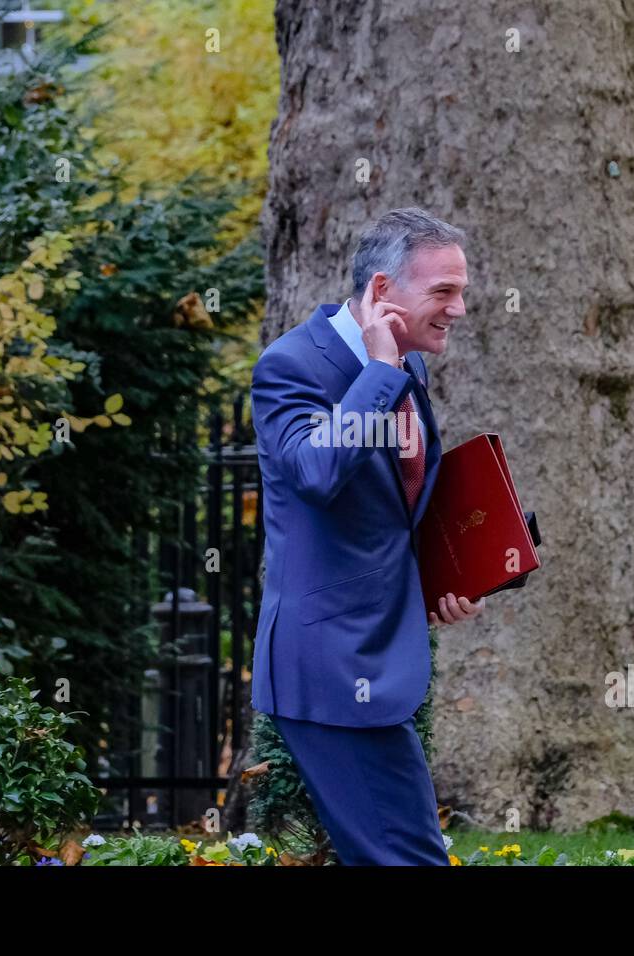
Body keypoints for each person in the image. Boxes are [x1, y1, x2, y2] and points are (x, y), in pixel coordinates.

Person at [249, 207, 486, 865]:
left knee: (400, 854)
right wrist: (378, 375)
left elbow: (394, 513)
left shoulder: (410, 370)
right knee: (404, 857)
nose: (459, 308)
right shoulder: (292, 365)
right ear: (383, 292)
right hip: (328, 666)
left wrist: (449, 578)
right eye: (443, 292)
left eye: (460, 291)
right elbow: (318, 474)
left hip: (378, 655)